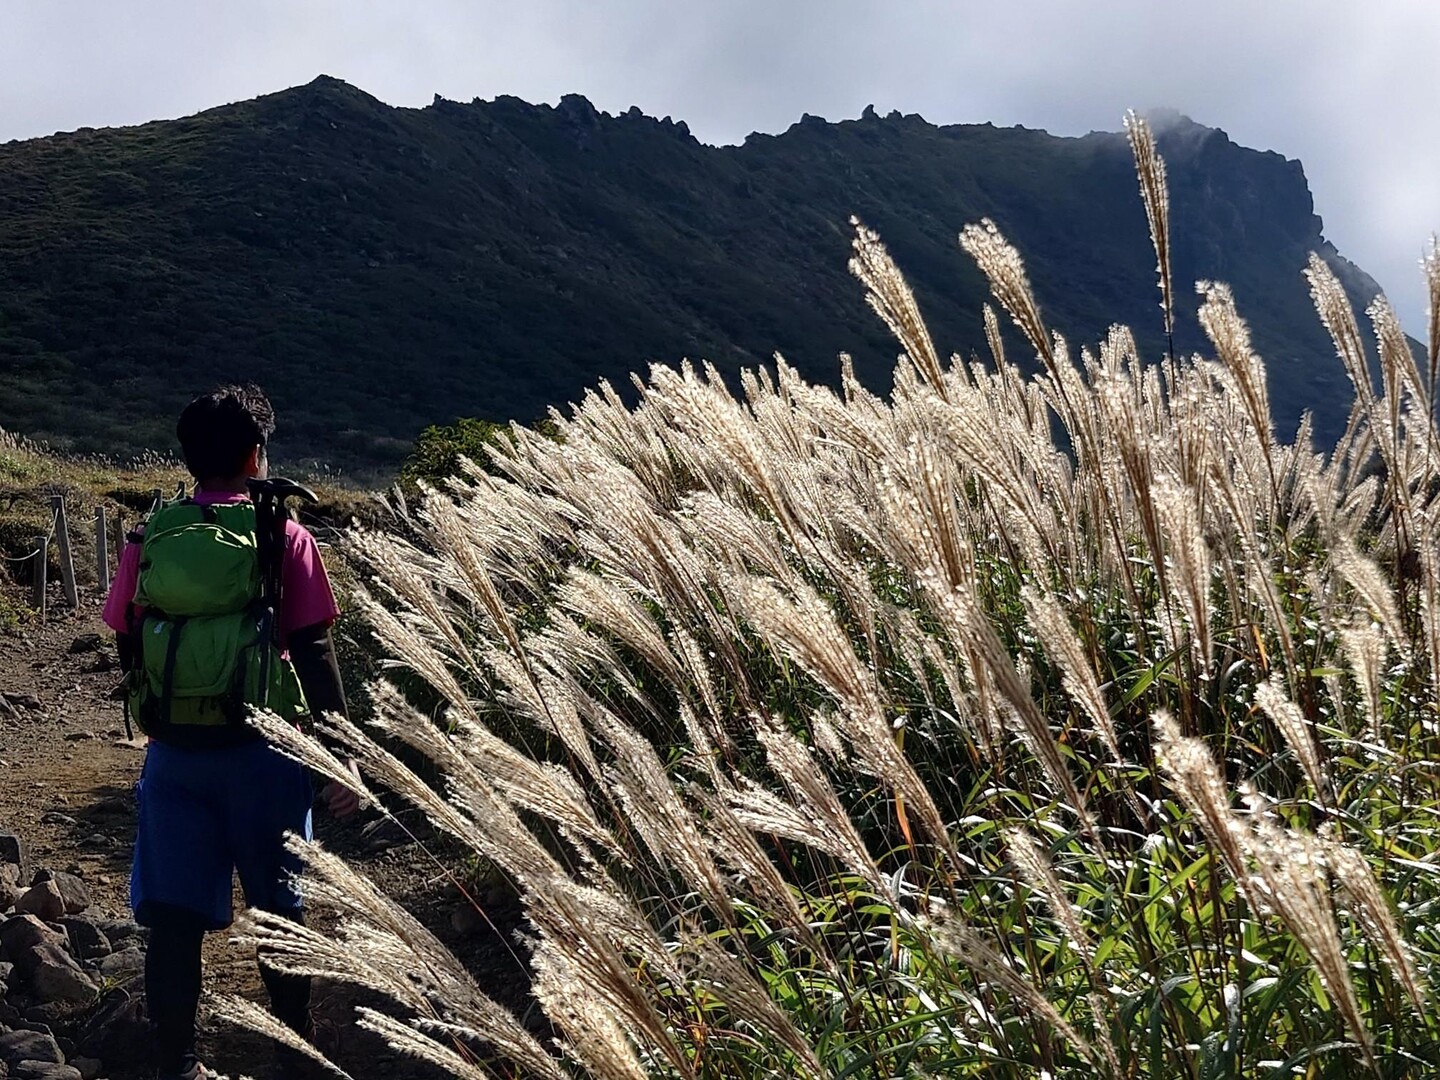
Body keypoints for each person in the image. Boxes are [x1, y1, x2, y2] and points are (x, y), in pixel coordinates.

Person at [103, 384, 360, 1080]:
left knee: (174, 922)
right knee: (280, 909)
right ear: (256, 456)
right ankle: (292, 1046)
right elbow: (313, 650)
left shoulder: (152, 536)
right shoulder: (284, 535)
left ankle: (176, 1061)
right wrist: (341, 759)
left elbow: (126, 634)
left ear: (188, 459)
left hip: (175, 758)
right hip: (265, 756)